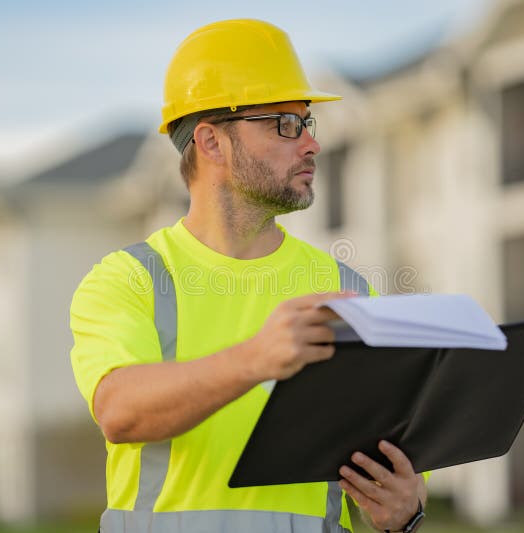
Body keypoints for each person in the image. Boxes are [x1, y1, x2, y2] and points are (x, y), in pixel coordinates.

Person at [70, 19, 427, 533]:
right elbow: (121, 411)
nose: (310, 144)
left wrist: (404, 515)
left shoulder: (347, 288)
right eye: (284, 123)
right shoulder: (128, 280)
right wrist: (258, 358)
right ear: (212, 142)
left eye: (308, 123)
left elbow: (386, 464)